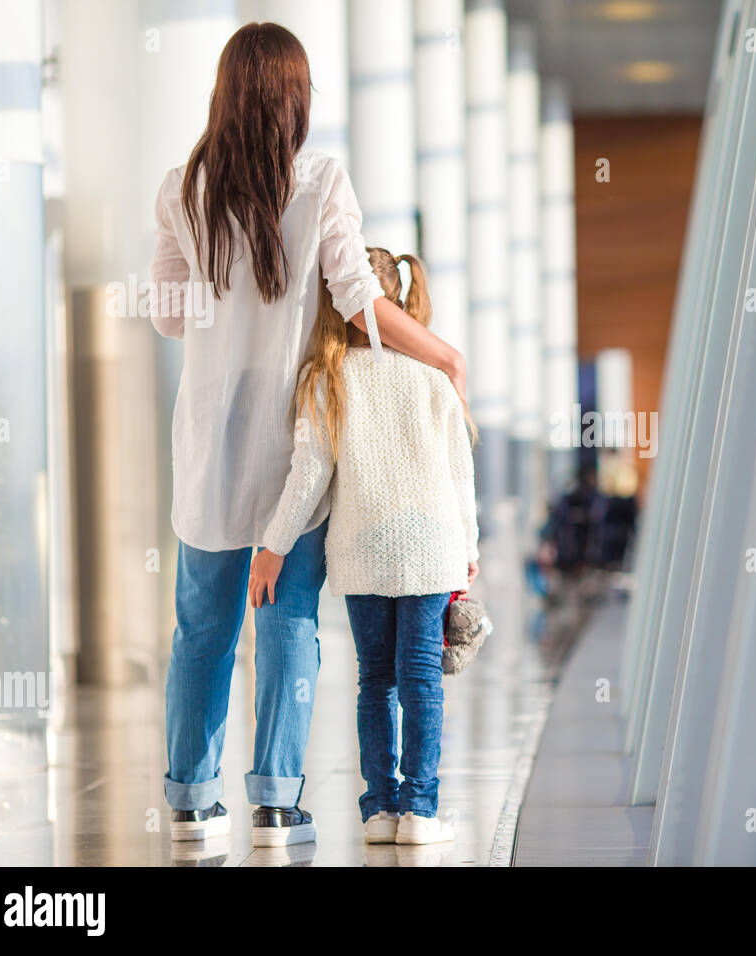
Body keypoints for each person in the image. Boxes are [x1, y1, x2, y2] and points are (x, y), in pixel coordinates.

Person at [149, 23, 466, 848]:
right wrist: (443, 356)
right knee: (287, 627)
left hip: (206, 452)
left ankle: (188, 803)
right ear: (294, 100)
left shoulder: (180, 189)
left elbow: (167, 317)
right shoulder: (321, 180)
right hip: (296, 447)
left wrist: (228, 302)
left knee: (202, 631)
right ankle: (278, 804)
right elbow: (359, 297)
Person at [248, 249, 479, 846]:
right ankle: (420, 813)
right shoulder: (433, 377)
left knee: (375, 679)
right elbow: (460, 474)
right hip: (432, 545)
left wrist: (273, 545)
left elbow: (309, 474)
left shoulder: (324, 378)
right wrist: (469, 545)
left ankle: (378, 810)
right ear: (397, 301)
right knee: (422, 678)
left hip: (363, 547)